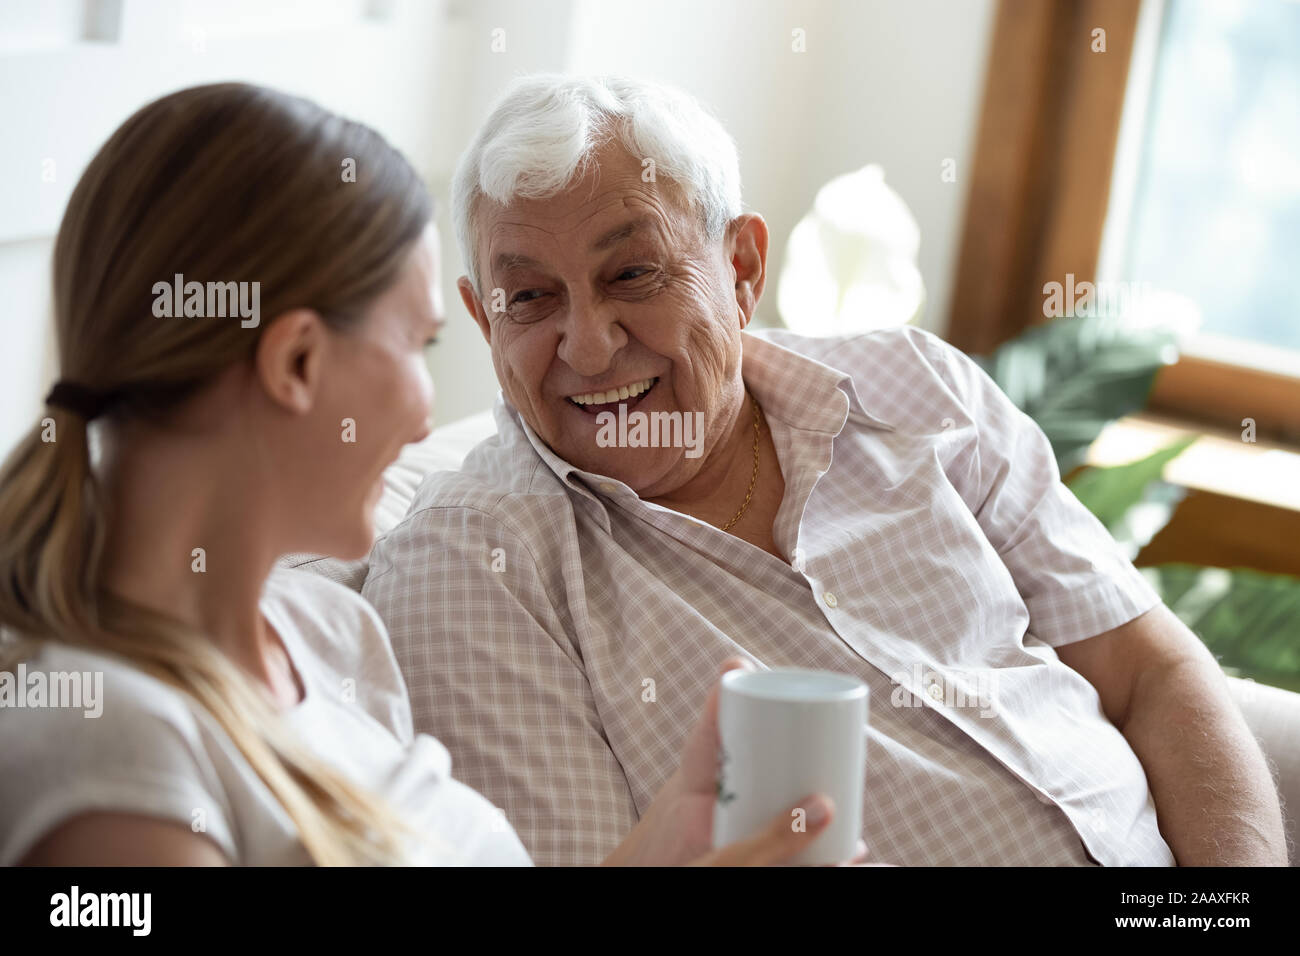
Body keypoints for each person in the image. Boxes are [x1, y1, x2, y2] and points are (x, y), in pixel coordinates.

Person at [362, 73, 1288, 867]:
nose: (591, 347)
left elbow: (1151, 672)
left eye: (633, 274)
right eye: (530, 297)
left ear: (742, 266)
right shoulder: (472, 568)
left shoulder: (917, 388)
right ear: (485, 324)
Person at [0, 82, 860, 867]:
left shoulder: (327, 636)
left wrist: (664, 847)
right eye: (422, 345)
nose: (425, 417)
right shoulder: (110, 739)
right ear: (296, 363)